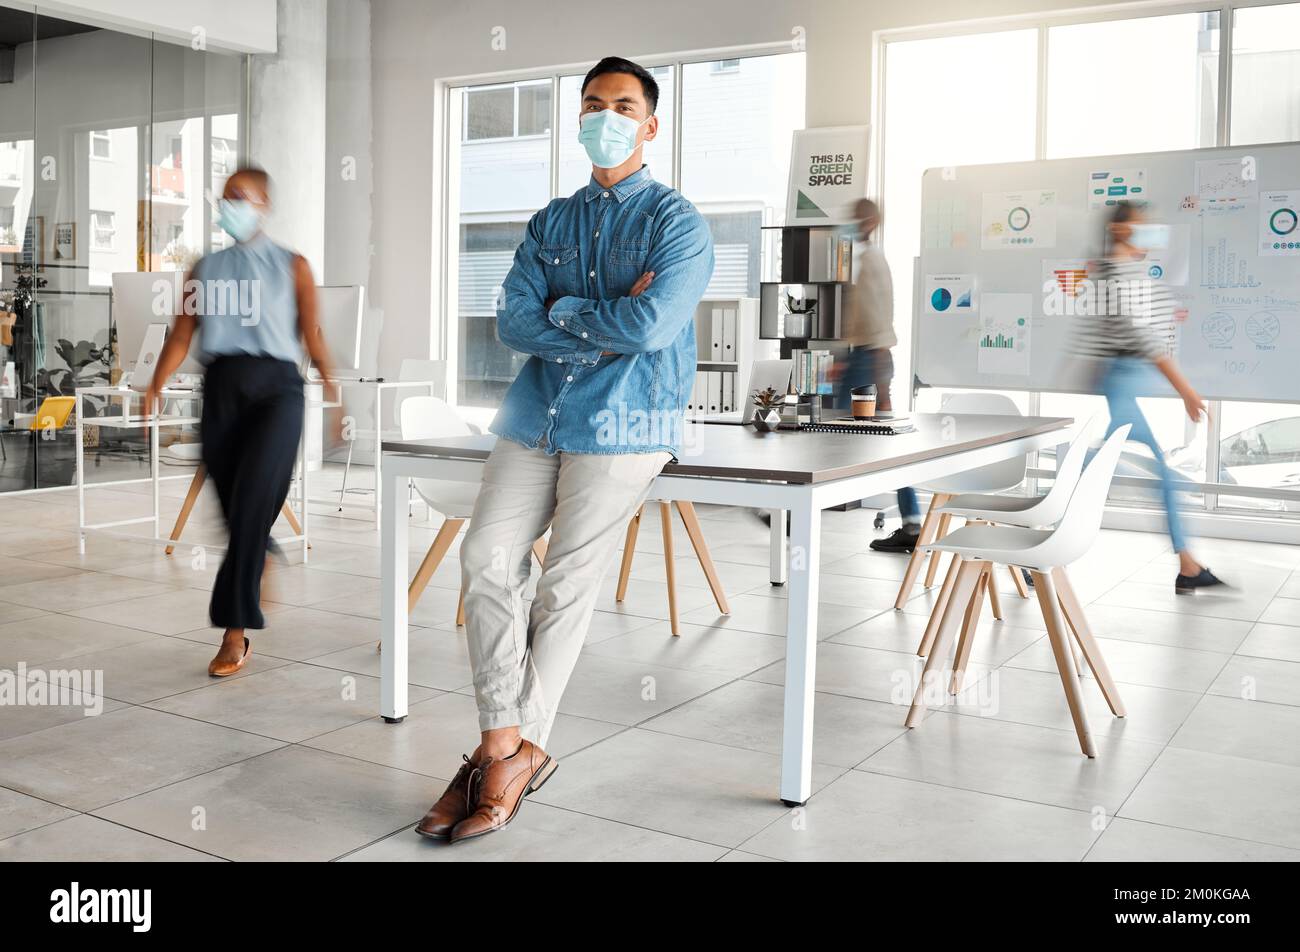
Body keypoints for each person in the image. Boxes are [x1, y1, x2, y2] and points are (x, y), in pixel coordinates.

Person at [415, 56, 714, 844]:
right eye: (591, 103)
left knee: (569, 582)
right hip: (537, 414)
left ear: (650, 125)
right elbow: (512, 323)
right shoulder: (551, 220)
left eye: (621, 105)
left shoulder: (677, 223)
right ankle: (513, 752)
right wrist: (605, 308)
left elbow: (652, 329)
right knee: (485, 556)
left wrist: (566, 307)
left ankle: (492, 756)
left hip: (628, 421)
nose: (604, 115)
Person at [145, 166, 337, 675]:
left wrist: (333, 384)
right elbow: (182, 335)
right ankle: (263, 550)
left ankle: (235, 631)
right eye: (225, 197)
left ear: (264, 205)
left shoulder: (292, 265)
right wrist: (154, 384)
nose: (230, 205)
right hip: (222, 390)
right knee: (234, 506)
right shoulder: (203, 269)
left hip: (277, 392)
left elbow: (310, 331)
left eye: (241, 198)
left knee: (252, 501)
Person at [1078, 201, 1223, 594]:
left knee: (1108, 467)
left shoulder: (1124, 271)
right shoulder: (1118, 275)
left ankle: (1188, 565)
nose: (1149, 233)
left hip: (1122, 377)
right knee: (1141, 472)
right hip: (1122, 379)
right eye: (1141, 226)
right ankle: (1040, 540)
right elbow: (1148, 342)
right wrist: (1187, 392)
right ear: (1122, 230)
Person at [836, 198, 922, 551]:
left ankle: (913, 524)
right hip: (867, 358)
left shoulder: (870, 260)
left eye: (856, 217)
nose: (851, 223)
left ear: (870, 220)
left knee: (830, 435)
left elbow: (872, 320)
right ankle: (913, 523)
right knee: (835, 435)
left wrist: (865, 367)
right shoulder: (869, 258)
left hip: (868, 360)